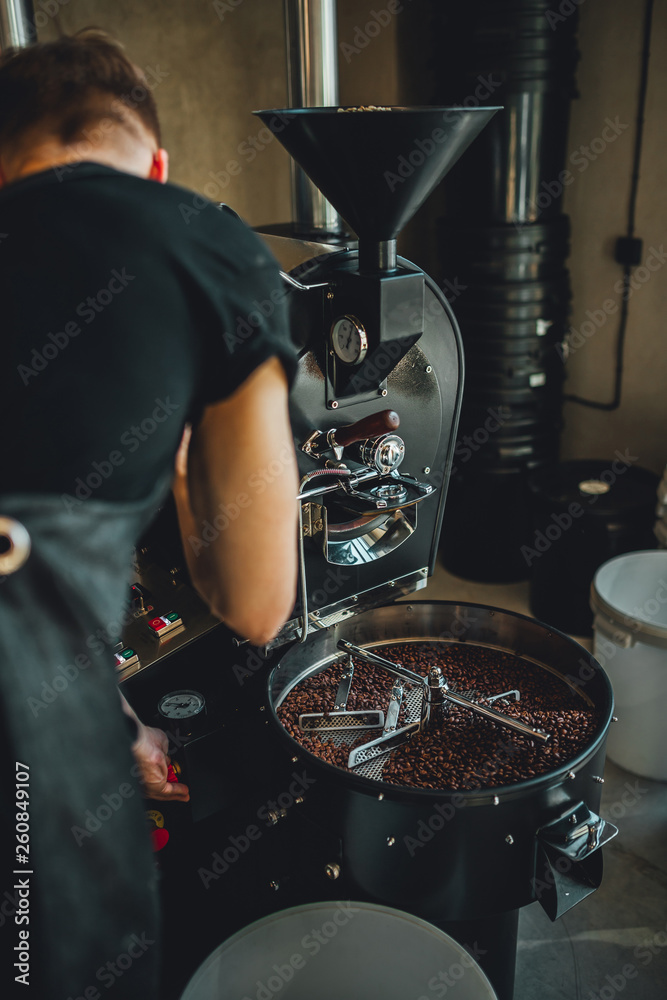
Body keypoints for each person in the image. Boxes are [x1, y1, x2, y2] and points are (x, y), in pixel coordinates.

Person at [0, 28, 298, 998]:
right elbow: (258, 602)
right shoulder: (206, 243)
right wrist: (179, 468)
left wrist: (115, 719)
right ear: (157, 167)